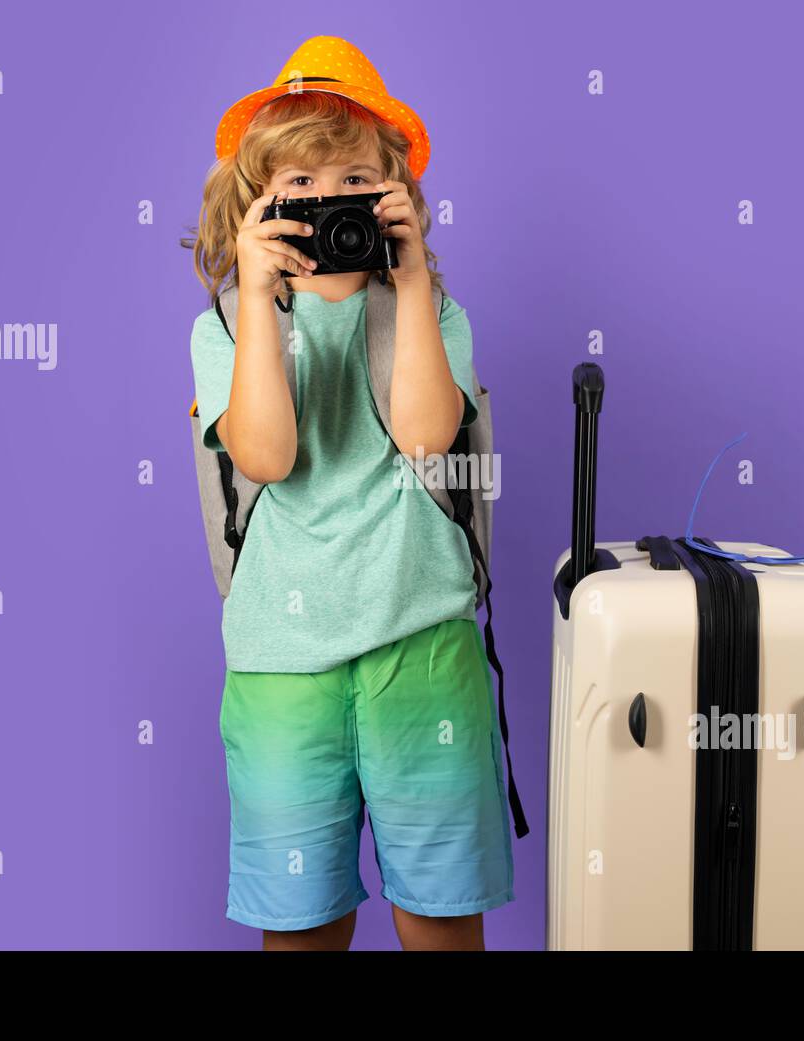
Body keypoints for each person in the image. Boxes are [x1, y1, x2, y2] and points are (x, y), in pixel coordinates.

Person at [189, 36, 515, 951]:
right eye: (299, 187)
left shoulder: (433, 312)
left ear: (397, 195)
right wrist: (257, 295)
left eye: (354, 182)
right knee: (300, 931)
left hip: (422, 647)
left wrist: (408, 281)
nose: (328, 201)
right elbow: (263, 454)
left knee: (443, 920)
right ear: (254, 205)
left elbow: (426, 438)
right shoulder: (222, 329)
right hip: (282, 668)